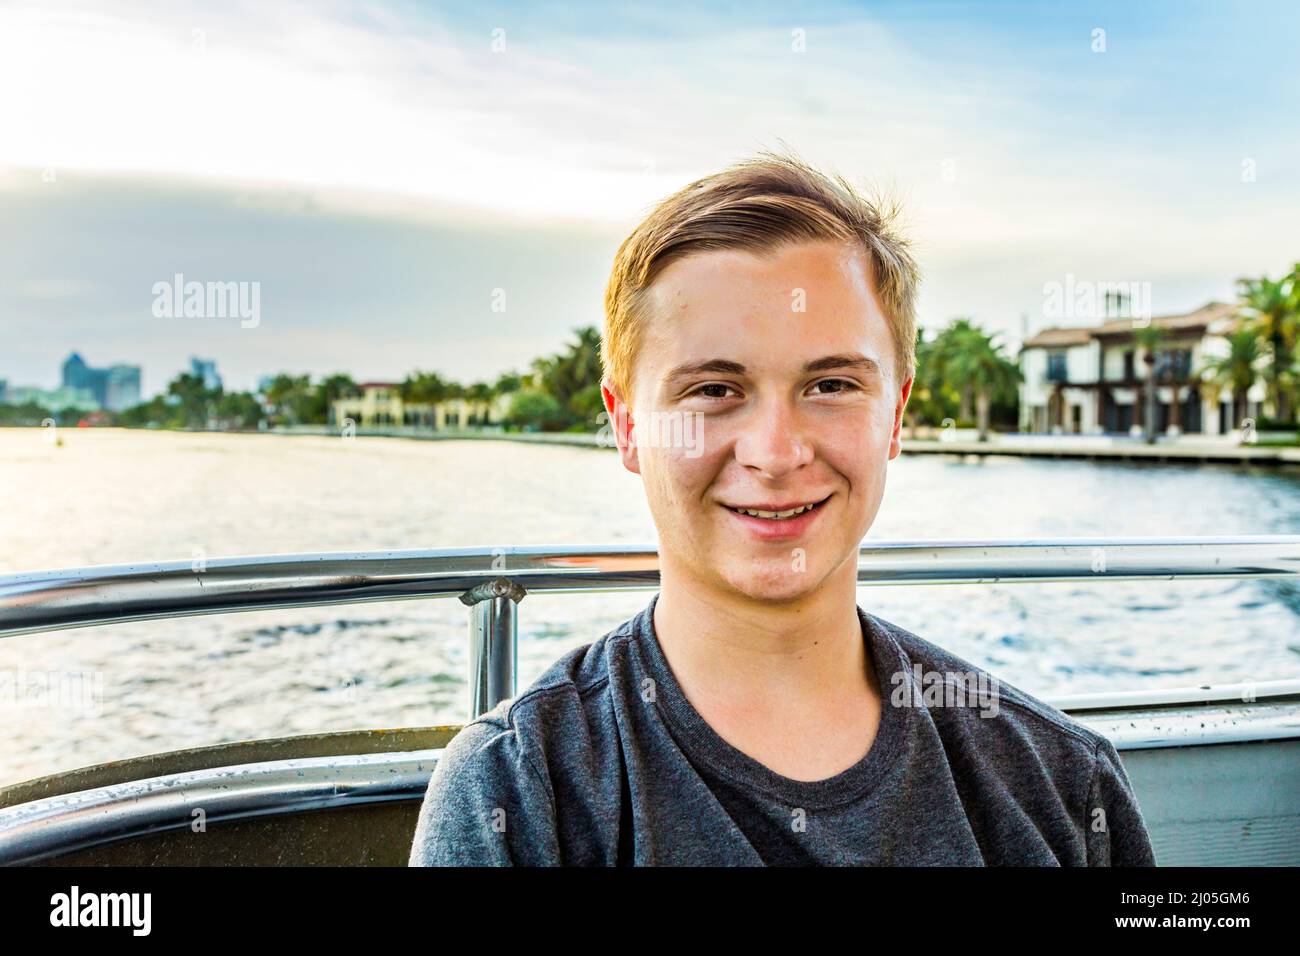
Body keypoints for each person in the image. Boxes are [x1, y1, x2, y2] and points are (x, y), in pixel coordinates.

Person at [409, 150, 1157, 866]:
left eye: (830, 385)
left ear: (894, 417)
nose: (775, 453)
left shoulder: (1058, 782)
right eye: (712, 390)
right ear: (627, 425)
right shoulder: (519, 794)